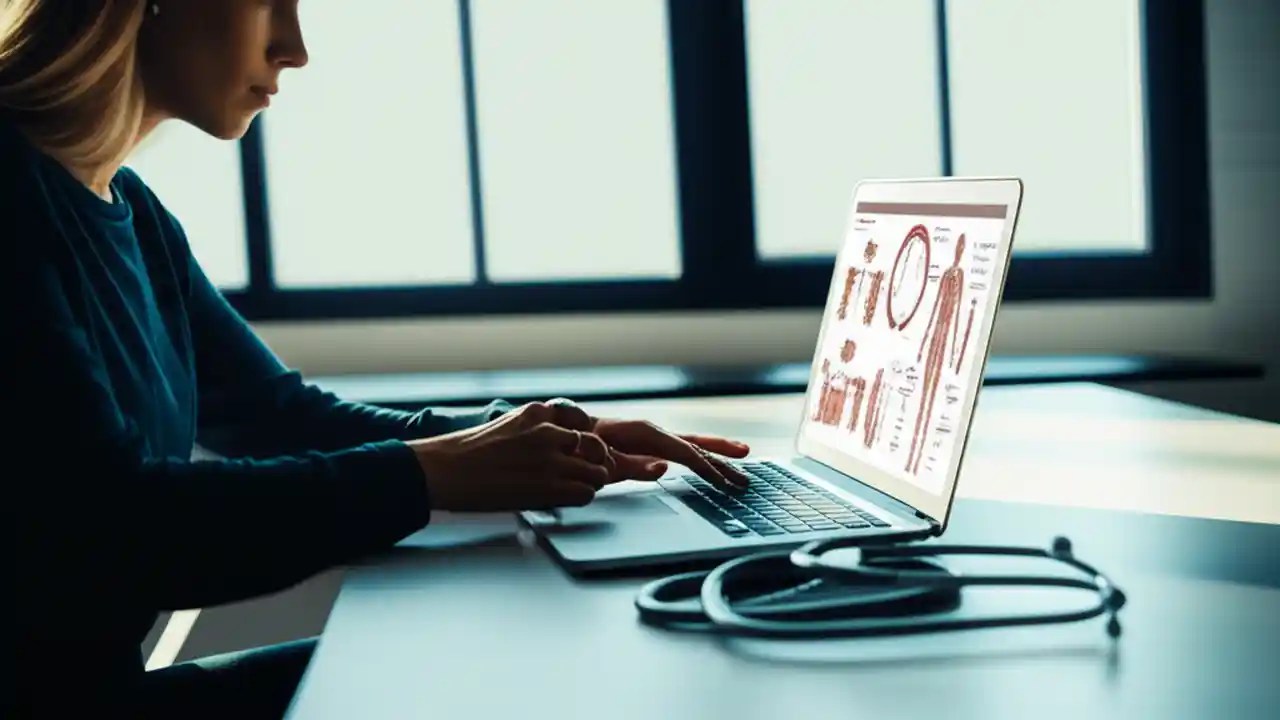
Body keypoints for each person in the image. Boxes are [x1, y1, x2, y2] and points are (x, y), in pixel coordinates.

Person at [1, 2, 752, 717]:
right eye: (269, 0)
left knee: (499, 659)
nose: (293, 47)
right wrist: (439, 470)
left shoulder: (132, 212)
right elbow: (120, 529)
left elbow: (280, 416)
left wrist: (517, 437)